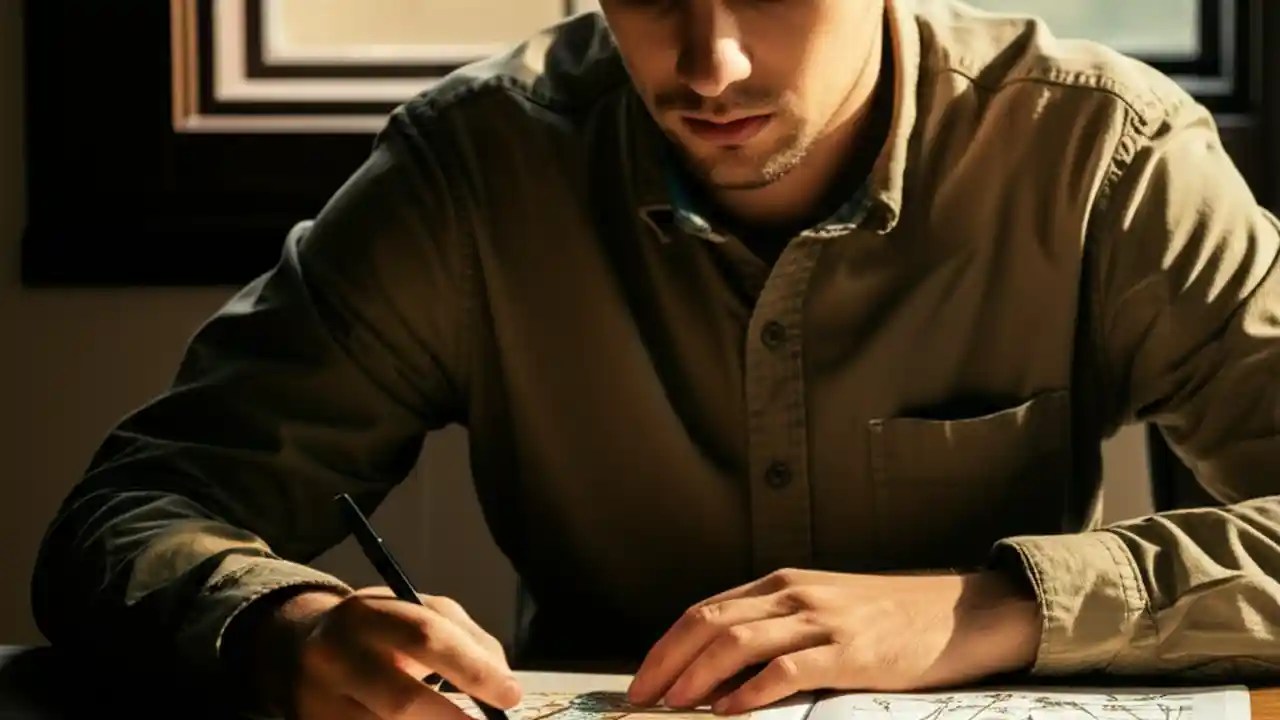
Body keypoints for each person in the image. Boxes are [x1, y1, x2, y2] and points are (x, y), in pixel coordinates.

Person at [30, 0, 1280, 718]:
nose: (708, 65)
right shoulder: (475, 173)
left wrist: (987, 608)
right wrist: (283, 627)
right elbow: (129, 514)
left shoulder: (1103, 154)